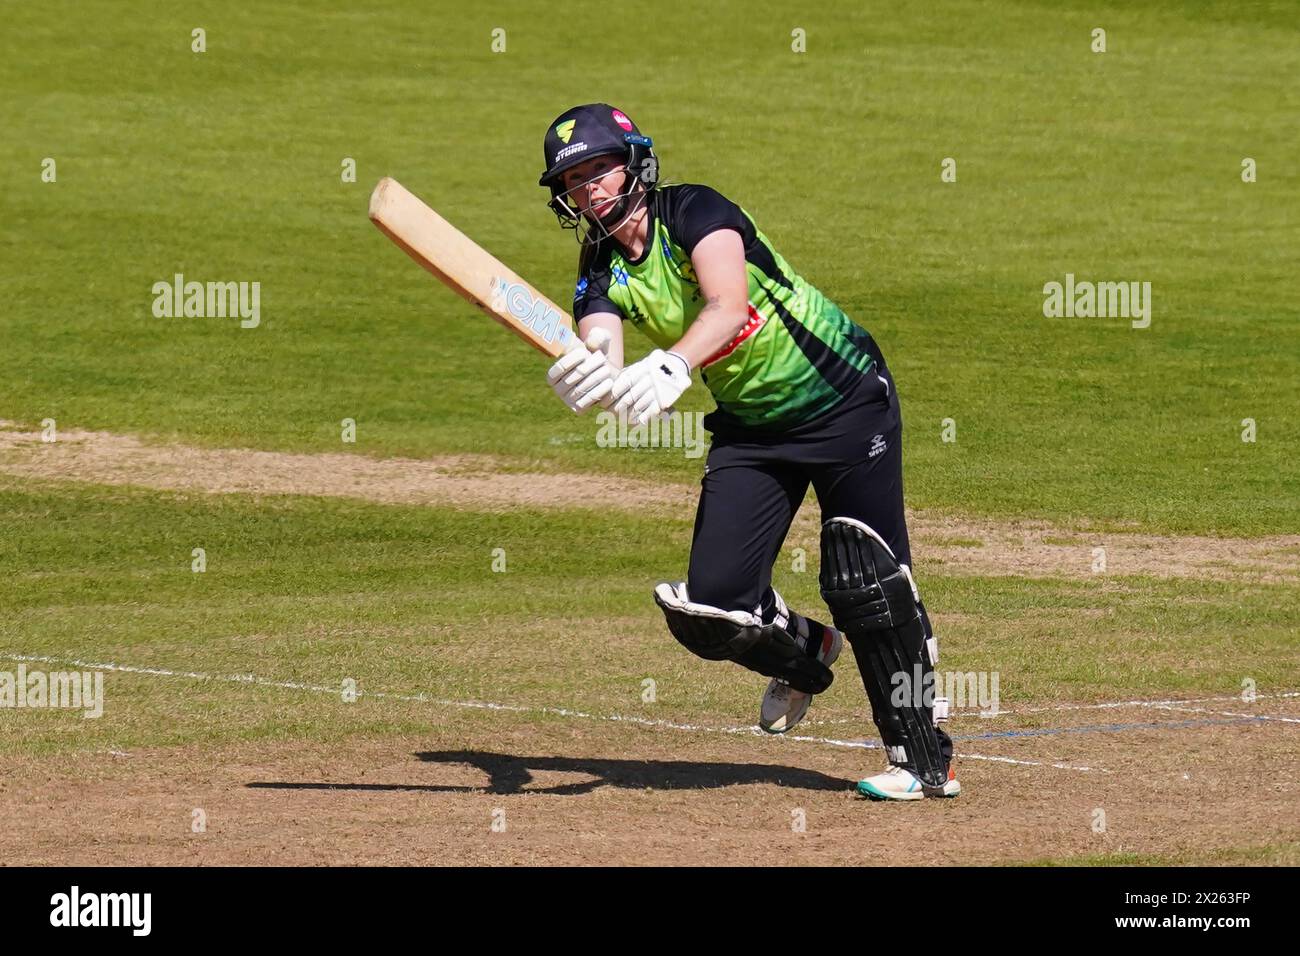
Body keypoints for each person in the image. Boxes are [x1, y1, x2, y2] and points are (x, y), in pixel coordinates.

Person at [538, 104, 958, 800]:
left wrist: (671, 367)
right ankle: (805, 655)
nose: (587, 191)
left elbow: (728, 305)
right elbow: (602, 348)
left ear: (635, 163)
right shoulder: (600, 264)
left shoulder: (696, 211)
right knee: (712, 607)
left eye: (597, 170)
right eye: (573, 180)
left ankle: (922, 757)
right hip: (754, 431)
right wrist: (587, 377)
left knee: (866, 582)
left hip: (845, 401)